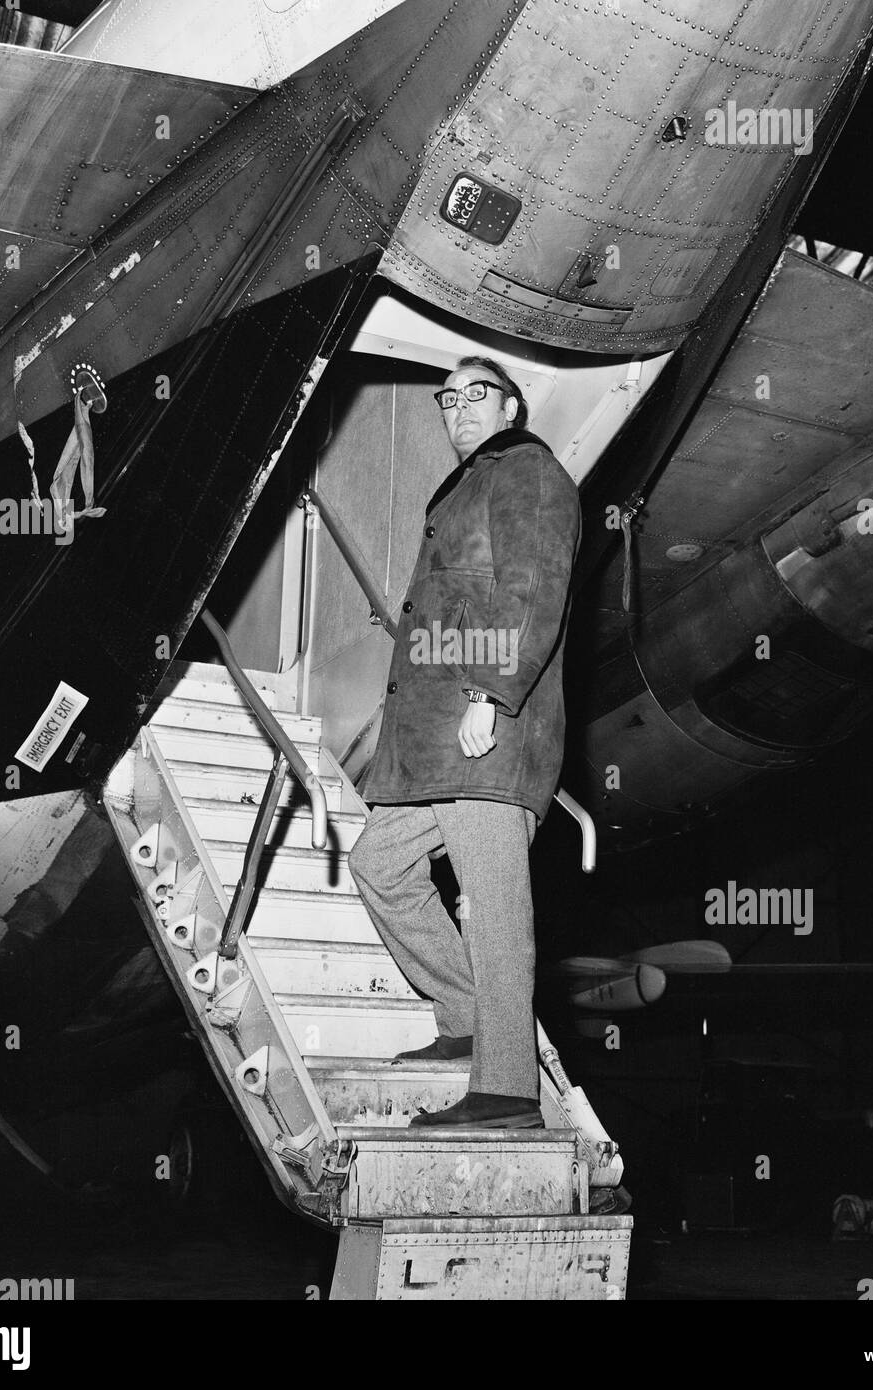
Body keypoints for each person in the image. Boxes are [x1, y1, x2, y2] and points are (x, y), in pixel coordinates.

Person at [347, 356, 581, 1128]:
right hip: (435, 747)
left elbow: (532, 588)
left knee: (494, 903)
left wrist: (490, 692)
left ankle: (509, 1088)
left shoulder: (528, 471)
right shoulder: (464, 488)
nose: (459, 409)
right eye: (448, 399)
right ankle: (466, 1016)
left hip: (485, 734)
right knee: (377, 863)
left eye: (477, 393)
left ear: (512, 405)